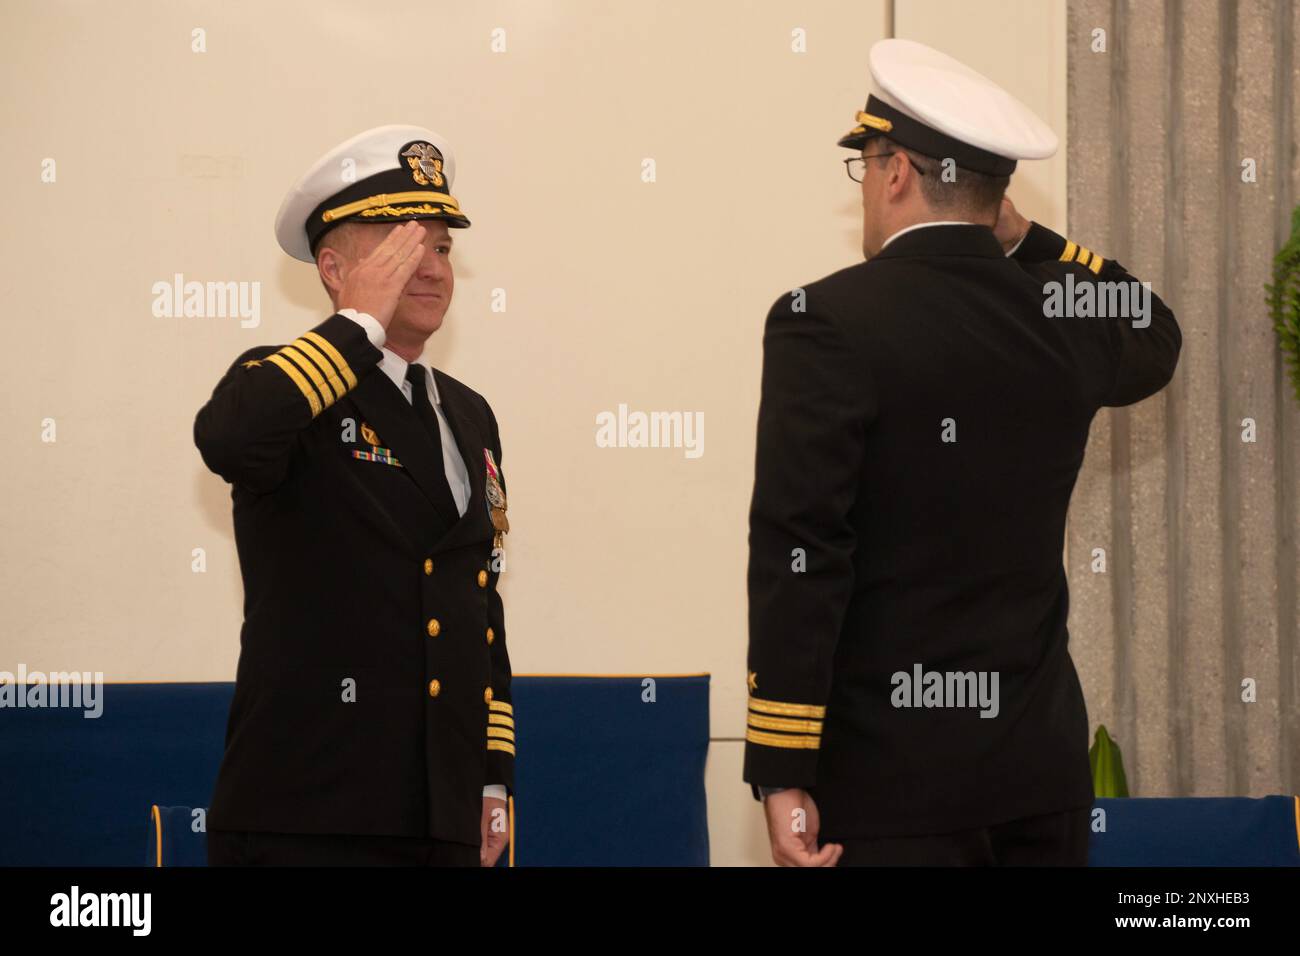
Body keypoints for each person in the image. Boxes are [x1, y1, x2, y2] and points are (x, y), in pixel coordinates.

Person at [742, 39, 1181, 866]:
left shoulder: (823, 321)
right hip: (1040, 776)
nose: (866, 189)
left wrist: (781, 765)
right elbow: (1156, 331)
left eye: (866, 167)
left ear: (897, 171)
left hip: (889, 788)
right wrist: (1032, 240)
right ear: (993, 193)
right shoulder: (1064, 317)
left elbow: (803, 553)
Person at [195, 125, 515, 866]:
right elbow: (230, 441)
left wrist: (491, 777)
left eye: (440, 247)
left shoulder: (469, 414)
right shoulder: (284, 387)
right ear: (334, 270)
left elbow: (478, 602)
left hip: (441, 814)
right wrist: (355, 329)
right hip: (309, 814)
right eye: (400, 248)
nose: (431, 268)